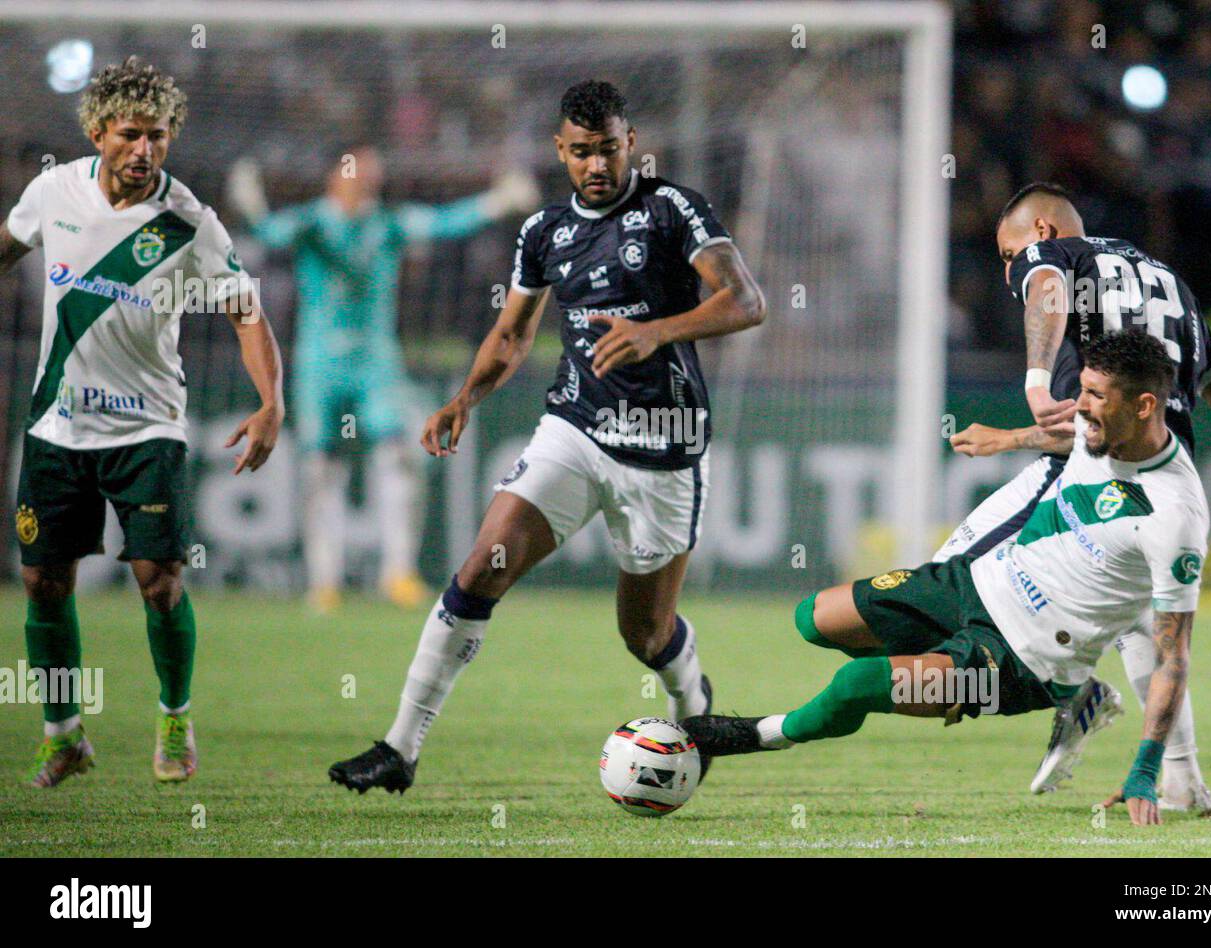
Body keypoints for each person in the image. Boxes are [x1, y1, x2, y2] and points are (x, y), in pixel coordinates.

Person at [327, 79, 765, 794]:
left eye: (610, 150)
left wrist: (654, 331)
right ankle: (399, 749)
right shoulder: (544, 233)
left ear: (632, 146)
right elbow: (512, 333)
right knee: (478, 572)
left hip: (664, 446)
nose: (598, 165)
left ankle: (695, 707)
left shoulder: (671, 209)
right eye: (583, 153)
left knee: (646, 637)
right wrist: (463, 398)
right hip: (576, 431)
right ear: (562, 152)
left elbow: (746, 300)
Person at [684, 331, 1205, 827]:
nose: (1080, 405)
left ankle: (755, 735)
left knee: (857, 685)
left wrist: (1144, 770)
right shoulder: (1100, 432)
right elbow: (1068, 433)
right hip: (972, 583)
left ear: (1142, 407)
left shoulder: (1173, 513)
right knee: (813, 619)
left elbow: (1172, 654)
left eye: (1094, 395)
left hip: (1024, 659)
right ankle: (975, 680)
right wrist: (1009, 439)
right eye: (1083, 390)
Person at [1, 56, 284, 786]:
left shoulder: (190, 222)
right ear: (98, 133)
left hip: (146, 429)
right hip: (57, 426)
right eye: (130, 135)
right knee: (43, 582)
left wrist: (270, 402)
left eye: (158, 137)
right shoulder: (51, 193)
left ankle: (175, 716)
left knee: (159, 581)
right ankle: (64, 735)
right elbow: (7, 245)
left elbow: (245, 311)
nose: (145, 151)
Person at [940, 183, 1211, 811]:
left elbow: (1046, 291)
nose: (1011, 271)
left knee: (952, 576)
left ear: (1039, 232)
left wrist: (1036, 383)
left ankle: (1073, 695)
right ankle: (1184, 781)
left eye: (1010, 254)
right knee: (1140, 622)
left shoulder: (1057, 255)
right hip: (1170, 483)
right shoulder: (1172, 285)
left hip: (1088, 468)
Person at [227, 146, 537, 611]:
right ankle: (324, 580)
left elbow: (445, 223)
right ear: (335, 176)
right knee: (320, 469)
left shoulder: (387, 222)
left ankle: (399, 573)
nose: (366, 181)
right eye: (358, 171)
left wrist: (499, 201)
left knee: (398, 458)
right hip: (319, 365)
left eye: (373, 174)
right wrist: (250, 202)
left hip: (375, 362)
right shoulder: (313, 222)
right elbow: (271, 234)